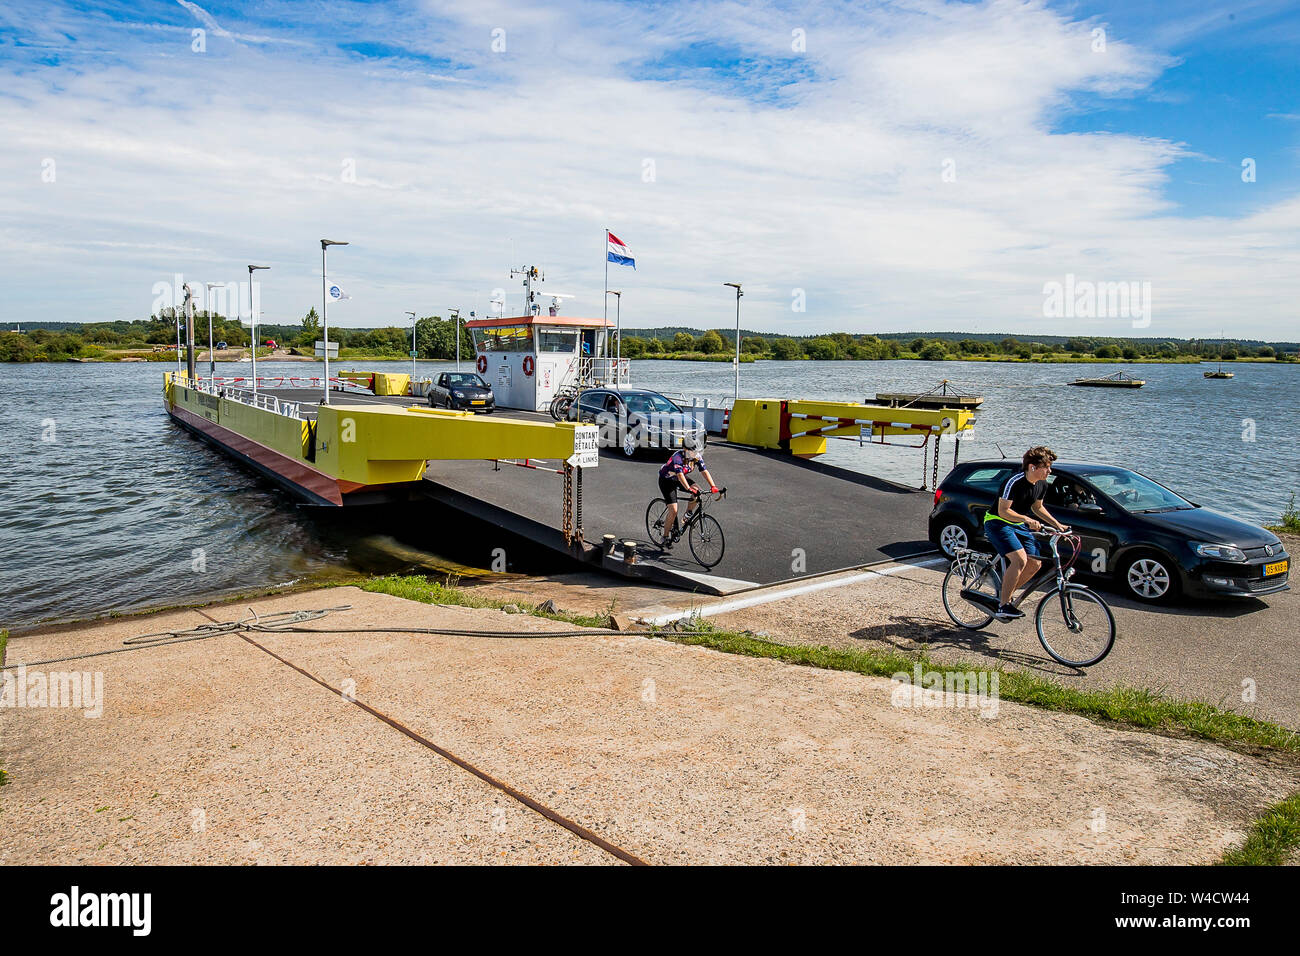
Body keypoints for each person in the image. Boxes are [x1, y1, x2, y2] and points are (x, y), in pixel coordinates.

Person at [983, 446, 1070, 620]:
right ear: (1032, 467)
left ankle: (1004, 596)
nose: (1049, 470)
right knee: (1019, 560)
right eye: (1046, 467)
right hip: (997, 522)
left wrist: (1058, 525)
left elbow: (1038, 507)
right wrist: (1025, 519)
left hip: (1018, 524)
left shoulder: (1042, 484)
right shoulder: (1014, 482)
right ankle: (1003, 606)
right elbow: (1003, 511)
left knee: (1034, 564)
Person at [657, 447, 718, 549]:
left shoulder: (696, 456)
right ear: (685, 450)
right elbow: (680, 475)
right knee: (674, 510)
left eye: (696, 451)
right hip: (666, 480)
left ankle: (688, 513)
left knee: (698, 493)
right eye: (692, 451)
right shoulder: (678, 457)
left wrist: (713, 486)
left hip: (679, 478)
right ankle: (665, 536)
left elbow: (704, 471)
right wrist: (689, 488)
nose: (694, 453)